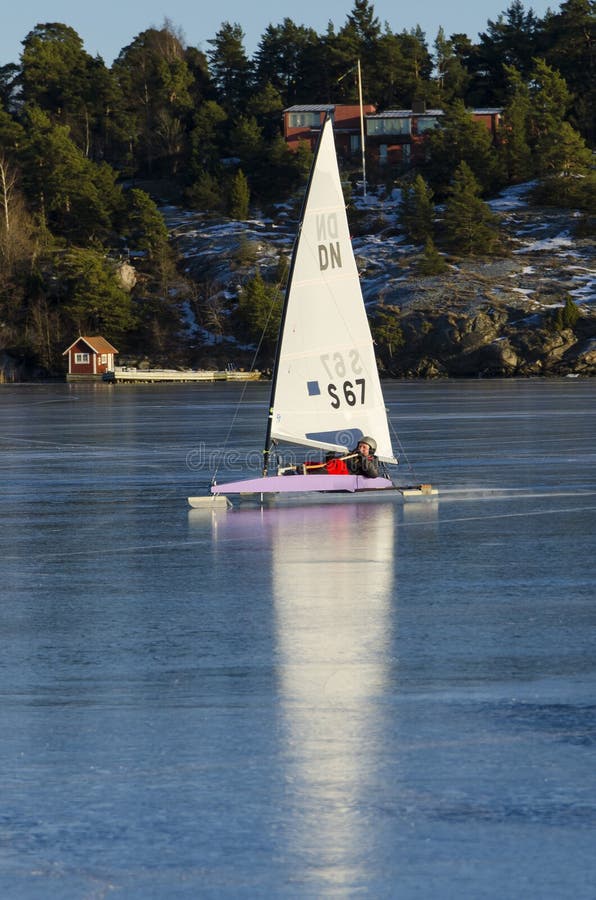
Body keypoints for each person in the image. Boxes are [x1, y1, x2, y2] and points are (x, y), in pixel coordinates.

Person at [302, 435, 379, 478]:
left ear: (371, 451)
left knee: (338, 464)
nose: (361, 449)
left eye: (364, 447)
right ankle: (303, 468)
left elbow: (373, 474)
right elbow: (331, 464)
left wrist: (362, 458)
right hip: (339, 473)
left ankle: (310, 475)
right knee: (325, 463)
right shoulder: (352, 455)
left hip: (348, 476)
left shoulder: (372, 459)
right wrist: (330, 456)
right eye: (360, 446)